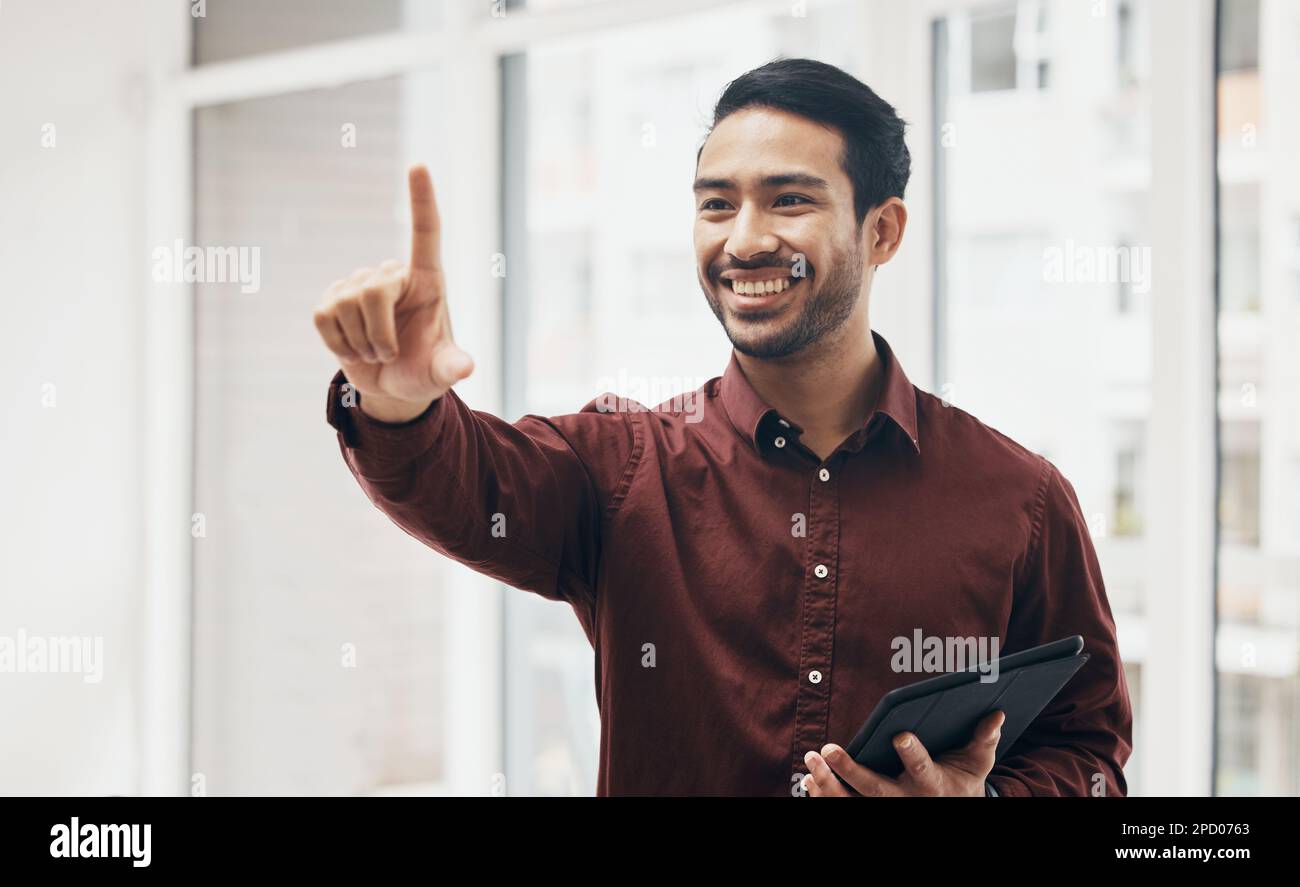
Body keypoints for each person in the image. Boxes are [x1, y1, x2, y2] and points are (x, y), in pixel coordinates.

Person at [313, 58, 1132, 797]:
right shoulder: (623, 467)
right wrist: (398, 402)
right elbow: (465, 483)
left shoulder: (1019, 499)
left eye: (789, 200)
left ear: (881, 231)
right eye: (716, 205)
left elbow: (1089, 751)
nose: (744, 240)